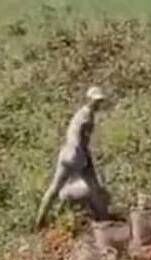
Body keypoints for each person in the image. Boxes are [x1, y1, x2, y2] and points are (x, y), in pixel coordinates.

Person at [35, 86, 112, 229]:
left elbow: (73, 136)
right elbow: (81, 141)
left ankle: (40, 221)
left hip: (66, 154)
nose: (98, 104)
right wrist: (85, 160)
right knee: (93, 187)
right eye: (96, 101)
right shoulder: (87, 117)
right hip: (77, 156)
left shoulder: (80, 113)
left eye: (99, 101)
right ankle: (104, 219)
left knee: (54, 188)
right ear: (89, 100)